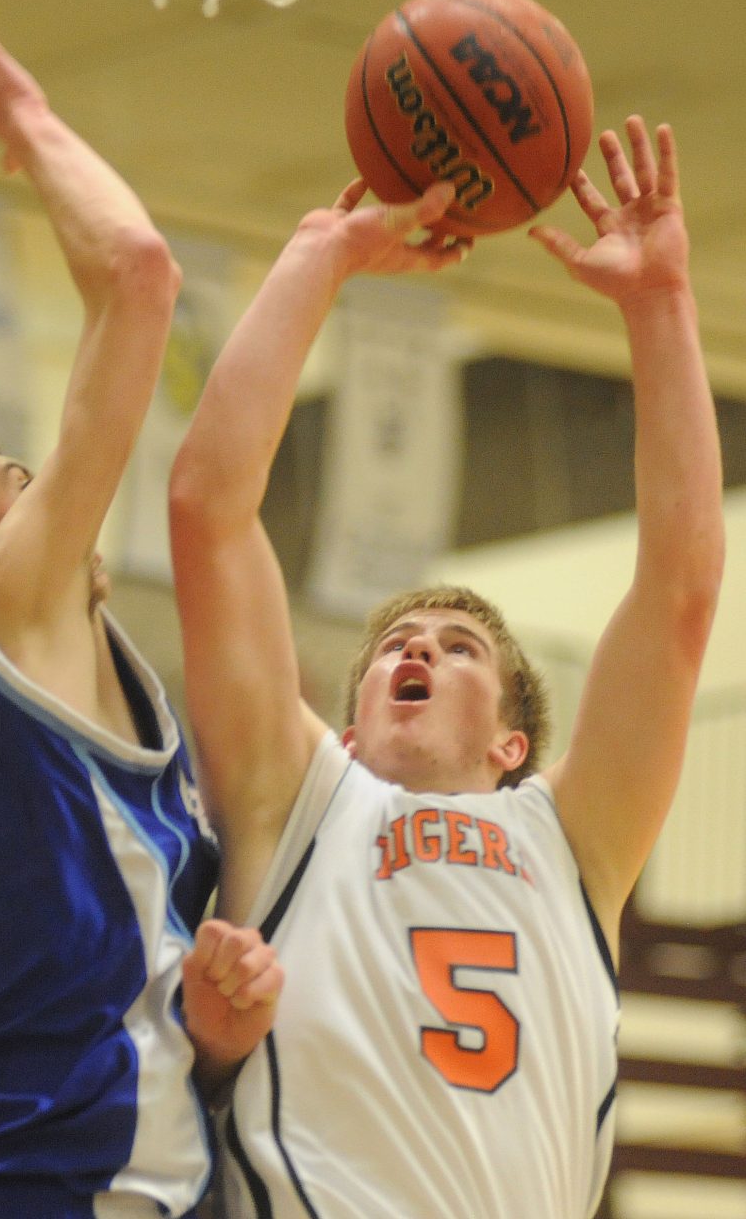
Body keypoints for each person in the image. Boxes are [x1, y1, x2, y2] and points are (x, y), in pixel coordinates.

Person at [167, 118, 724, 1218]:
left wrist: (662, 307)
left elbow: (679, 595)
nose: (414, 649)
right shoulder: (300, 794)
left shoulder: (573, 840)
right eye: (393, 649)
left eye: (456, 648)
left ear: (513, 745)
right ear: (348, 722)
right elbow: (208, 512)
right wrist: (318, 254)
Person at [0, 0, 281, 1215]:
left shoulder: (26, 695)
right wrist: (14, 107)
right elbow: (138, 273)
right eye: (24, 482)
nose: (62, 494)